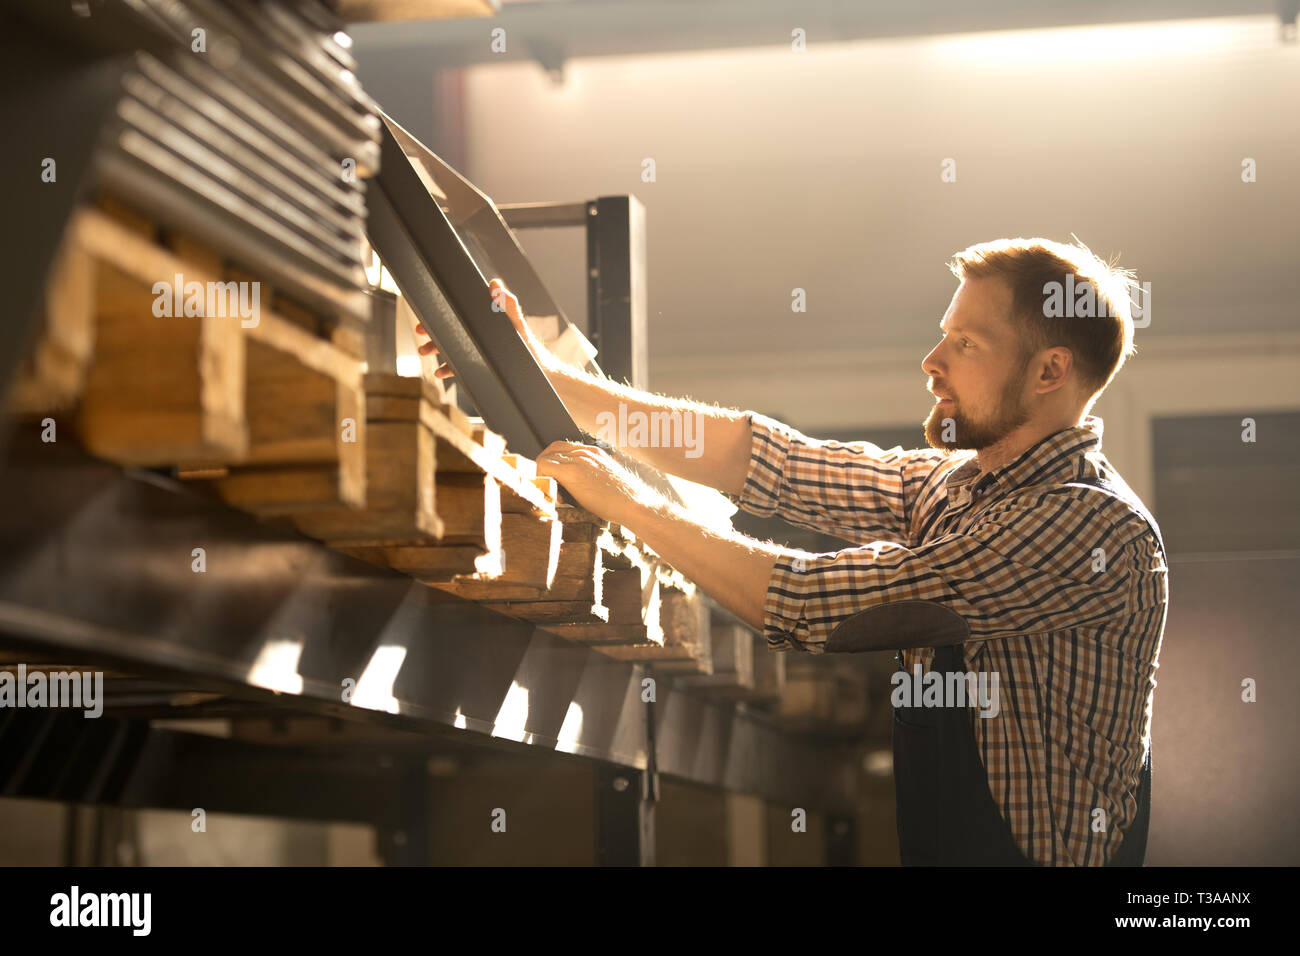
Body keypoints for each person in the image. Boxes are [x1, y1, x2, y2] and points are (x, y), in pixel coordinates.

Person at [416, 237, 1168, 866]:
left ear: (1049, 372)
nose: (932, 361)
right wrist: (544, 379)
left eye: (966, 344)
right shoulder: (954, 488)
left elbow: (815, 606)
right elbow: (767, 460)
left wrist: (629, 503)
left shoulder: (1088, 529)